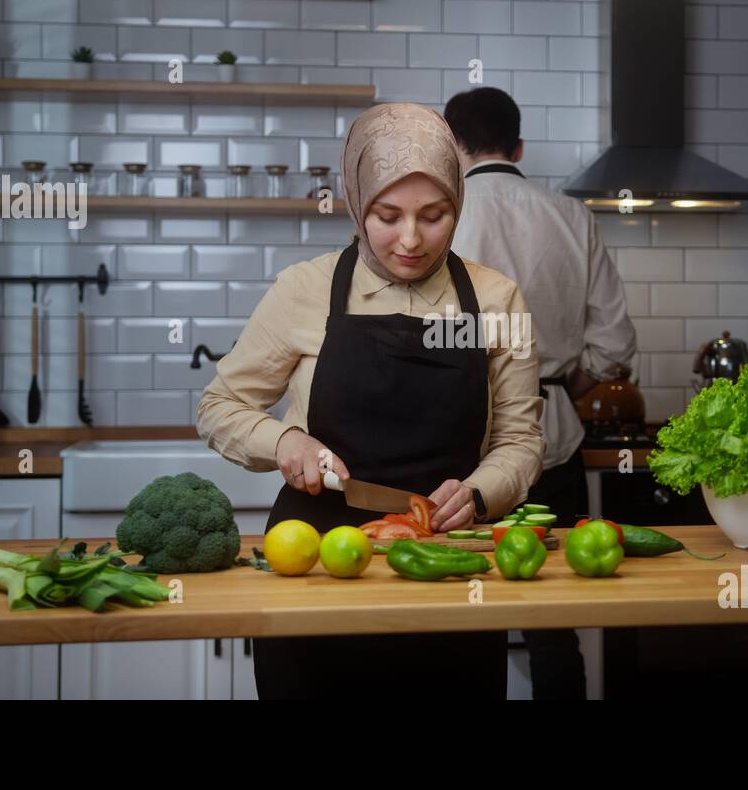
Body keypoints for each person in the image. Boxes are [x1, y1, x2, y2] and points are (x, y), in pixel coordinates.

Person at [197, 102, 544, 699]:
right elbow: (220, 406)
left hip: (445, 566)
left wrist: (482, 493)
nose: (410, 240)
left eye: (434, 216)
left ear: (457, 206)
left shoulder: (496, 300)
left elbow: (520, 439)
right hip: (316, 563)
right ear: (357, 203)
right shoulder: (303, 289)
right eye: (387, 216)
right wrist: (285, 440)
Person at [445, 87, 637, 700]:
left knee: (459, 612)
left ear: (452, 146)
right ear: (518, 145)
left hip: (456, 441)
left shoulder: (438, 214)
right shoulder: (572, 215)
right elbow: (613, 349)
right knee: (553, 614)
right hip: (553, 440)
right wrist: (559, 382)